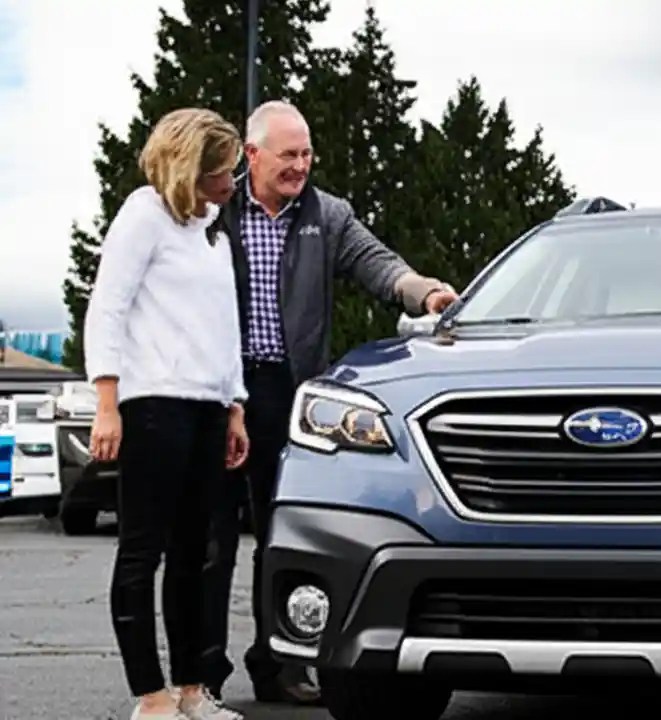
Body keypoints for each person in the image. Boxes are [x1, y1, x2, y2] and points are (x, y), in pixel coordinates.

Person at [202, 100, 458, 704]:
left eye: (307, 153)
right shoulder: (214, 207)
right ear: (251, 154)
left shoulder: (327, 215)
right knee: (210, 543)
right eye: (288, 154)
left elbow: (381, 266)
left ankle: (280, 665)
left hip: (291, 396)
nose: (300, 166)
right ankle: (202, 676)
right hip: (217, 392)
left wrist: (427, 295)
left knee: (282, 537)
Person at [84, 107, 250, 720]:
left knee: (194, 556)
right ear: (188, 169)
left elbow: (225, 327)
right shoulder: (142, 216)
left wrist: (235, 407)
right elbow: (107, 308)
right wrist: (107, 400)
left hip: (208, 407)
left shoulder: (213, 232)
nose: (231, 184)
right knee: (142, 553)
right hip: (153, 405)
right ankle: (149, 697)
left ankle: (190, 690)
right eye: (222, 173)